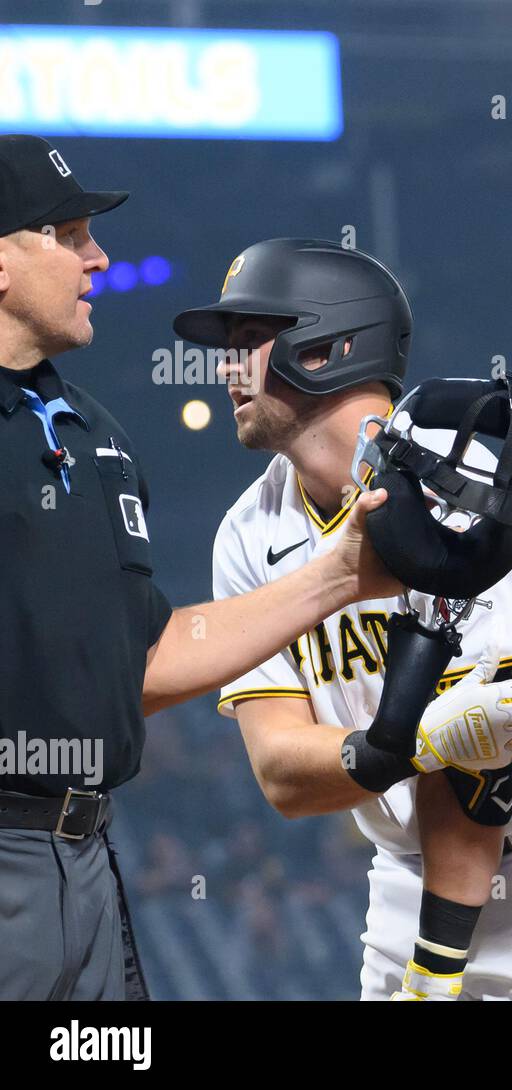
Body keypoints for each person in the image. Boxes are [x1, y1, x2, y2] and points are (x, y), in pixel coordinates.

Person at [177, 238, 512, 1000]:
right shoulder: (247, 530)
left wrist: (433, 975)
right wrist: (398, 746)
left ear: (328, 344)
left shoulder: (464, 470)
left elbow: (483, 759)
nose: (224, 367)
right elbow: (282, 773)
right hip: (409, 877)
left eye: (248, 341)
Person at [0, 135, 399, 1001]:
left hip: (87, 854)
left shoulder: (92, 432)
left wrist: (341, 576)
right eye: (67, 234)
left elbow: (144, 659)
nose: (96, 257)